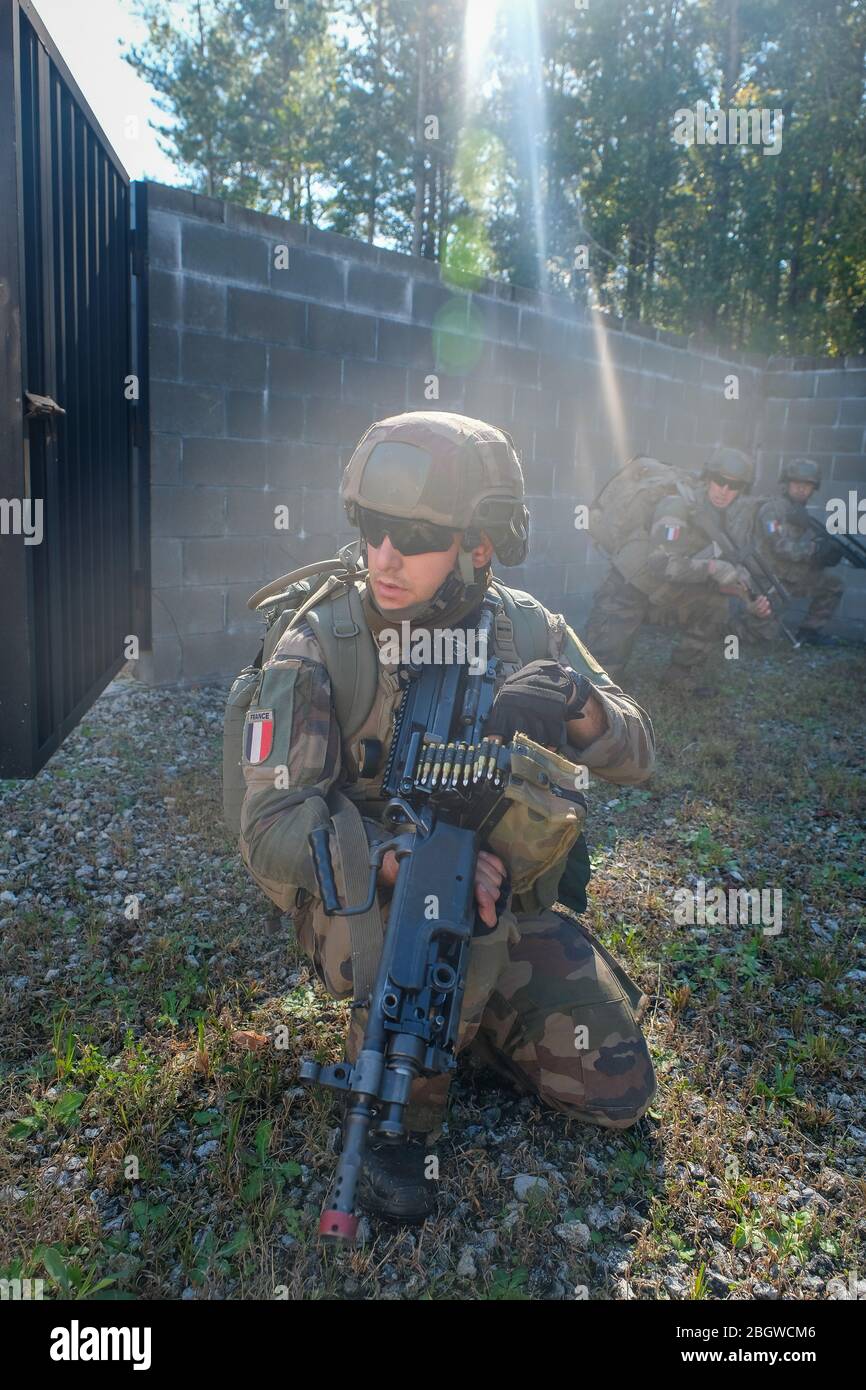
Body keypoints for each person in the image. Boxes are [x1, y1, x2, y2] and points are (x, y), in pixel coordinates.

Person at [238, 411, 656, 1224]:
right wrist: (395, 854)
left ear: (480, 545)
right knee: (433, 897)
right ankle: (408, 1106)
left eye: (416, 534)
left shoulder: (527, 626)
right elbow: (272, 826)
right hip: (365, 896)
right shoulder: (323, 643)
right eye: (371, 528)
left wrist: (575, 704)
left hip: (499, 896)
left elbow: (638, 751)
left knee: (616, 1086)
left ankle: (481, 1006)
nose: (384, 557)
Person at [584, 447, 771, 694]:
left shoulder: (721, 519)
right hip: (626, 594)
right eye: (720, 481)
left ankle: (680, 676)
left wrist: (747, 599)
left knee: (715, 605)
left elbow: (717, 574)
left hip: (663, 595)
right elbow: (661, 564)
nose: (724, 491)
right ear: (708, 478)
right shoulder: (676, 505)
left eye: (733, 486)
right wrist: (714, 567)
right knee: (599, 681)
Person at [752, 457, 843, 646]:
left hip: (793, 577)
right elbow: (778, 546)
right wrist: (814, 550)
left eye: (808, 484)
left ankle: (809, 632)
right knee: (761, 636)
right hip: (770, 582)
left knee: (833, 584)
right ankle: (733, 625)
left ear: (813, 488)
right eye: (796, 483)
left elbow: (805, 550)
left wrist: (825, 553)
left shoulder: (802, 512)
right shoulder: (772, 510)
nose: (801, 488)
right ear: (786, 483)